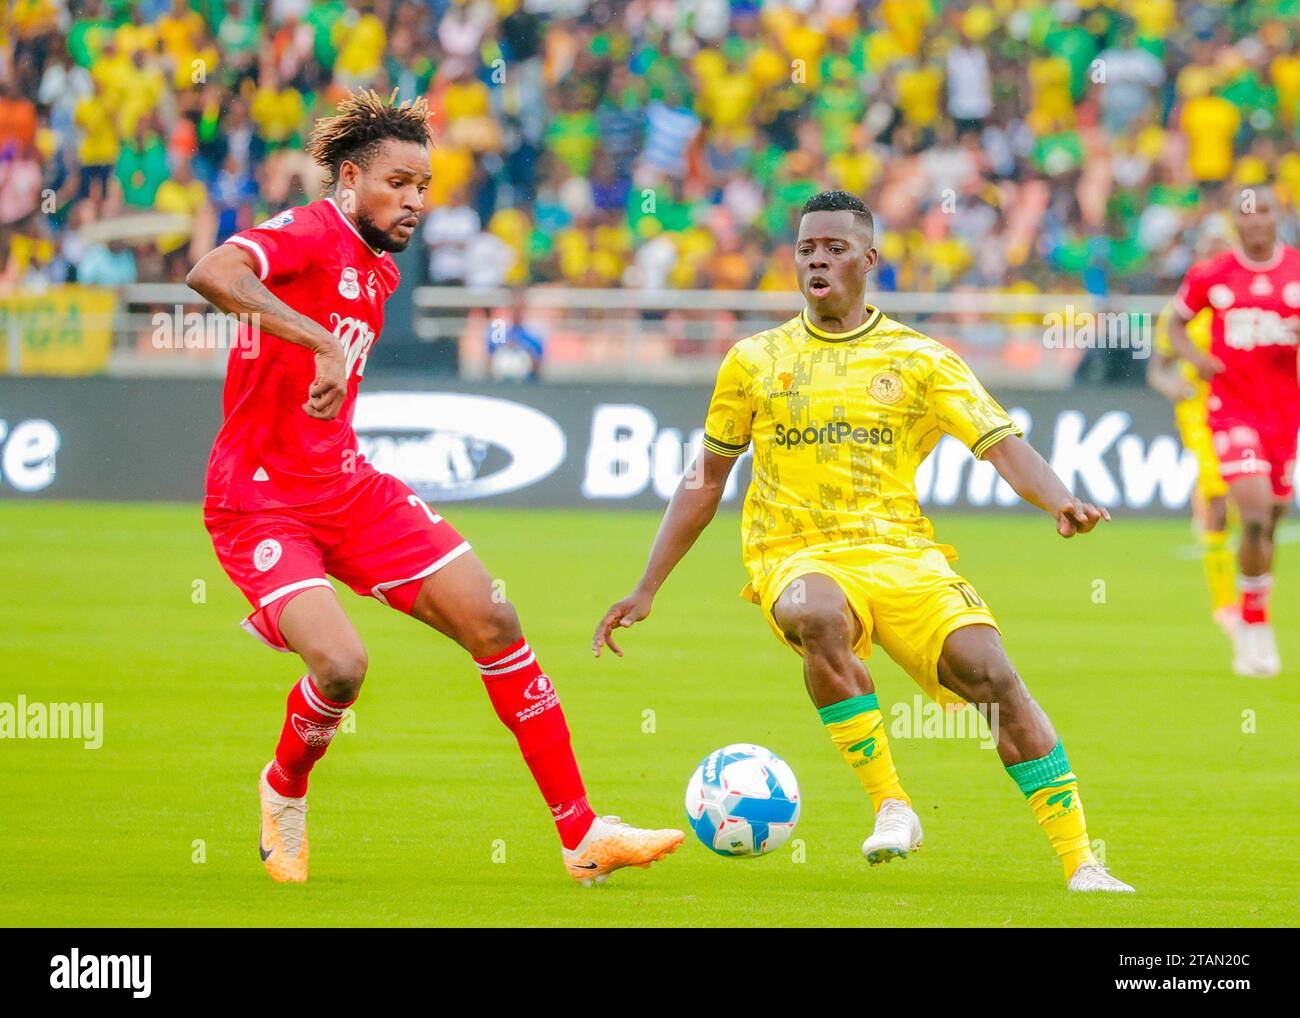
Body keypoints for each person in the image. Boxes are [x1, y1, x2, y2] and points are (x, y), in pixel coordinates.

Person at [187, 89, 682, 886]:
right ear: (349, 178)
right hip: (259, 496)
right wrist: (318, 342)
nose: (415, 201)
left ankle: (582, 834)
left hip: (346, 486)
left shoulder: (379, 269)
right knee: (344, 667)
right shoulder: (312, 229)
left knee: (492, 616)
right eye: (398, 183)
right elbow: (212, 272)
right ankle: (283, 790)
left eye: (424, 186)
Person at [593, 190, 1134, 893]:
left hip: (902, 554)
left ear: (869, 259)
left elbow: (1000, 445)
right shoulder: (753, 361)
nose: (817, 259)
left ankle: (1081, 862)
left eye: (835, 248)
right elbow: (706, 478)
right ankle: (892, 804)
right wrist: (648, 584)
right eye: (806, 249)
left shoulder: (921, 360)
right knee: (816, 614)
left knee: (993, 676)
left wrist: (1059, 500)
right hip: (794, 553)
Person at [1166, 185, 1300, 678]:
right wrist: (1198, 360)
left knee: (1273, 518)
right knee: (1256, 512)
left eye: (1264, 211)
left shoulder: (1296, 271)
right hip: (1230, 410)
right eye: (1246, 215)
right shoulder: (1212, 276)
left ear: (1277, 216)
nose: (1256, 222)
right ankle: (1254, 624)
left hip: (1284, 415)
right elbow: (1175, 326)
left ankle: (1254, 597)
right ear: (1235, 224)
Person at [1148, 234, 1237, 640]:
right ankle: (1224, 601)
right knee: (1218, 496)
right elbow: (1158, 370)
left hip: (1244, 409)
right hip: (1199, 414)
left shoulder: (1243, 307)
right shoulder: (1180, 312)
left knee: (1251, 500)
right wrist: (1176, 389)